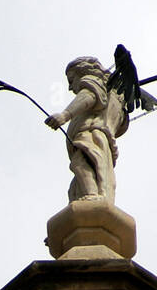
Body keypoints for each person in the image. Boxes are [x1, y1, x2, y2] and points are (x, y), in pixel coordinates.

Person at [45, 56, 128, 204]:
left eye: (71, 80)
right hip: (98, 137)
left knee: (80, 163)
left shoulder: (93, 82)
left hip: (90, 134)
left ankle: (92, 194)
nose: (71, 88)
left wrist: (64, 115)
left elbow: (89, 96)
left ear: (83, 72)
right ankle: (96, 195)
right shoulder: (113, 95)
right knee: (89, 175)